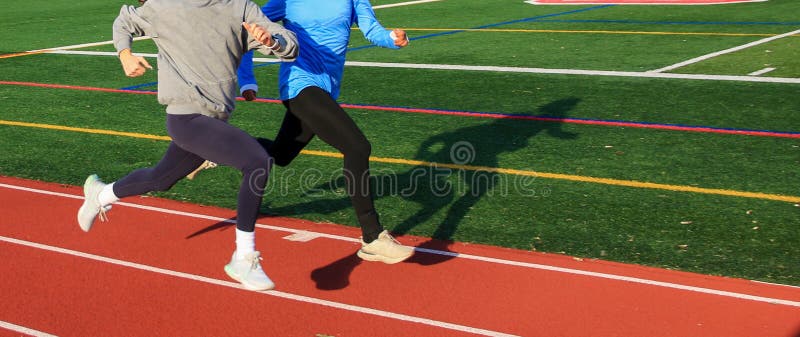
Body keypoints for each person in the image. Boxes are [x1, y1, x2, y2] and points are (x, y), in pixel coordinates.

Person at [77, 0, 298, 291]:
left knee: (160, 179)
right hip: (186, 118)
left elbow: (289, 44)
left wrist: (273, 41)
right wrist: (125, 54)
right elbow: (124, 22)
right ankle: (244, 256)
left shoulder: (240, 7)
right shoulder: (165, 6)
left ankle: (101, 194)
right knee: (256, 160)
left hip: (215, 118)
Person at [225, 0, 414, 264]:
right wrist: (247, 78)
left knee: (282, 154)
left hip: (327, 88)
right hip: (299, 84)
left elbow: (373, 30)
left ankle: (216, 148)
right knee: (357, 147)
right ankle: (372, 237)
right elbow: (246, 30)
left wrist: (393, 38)